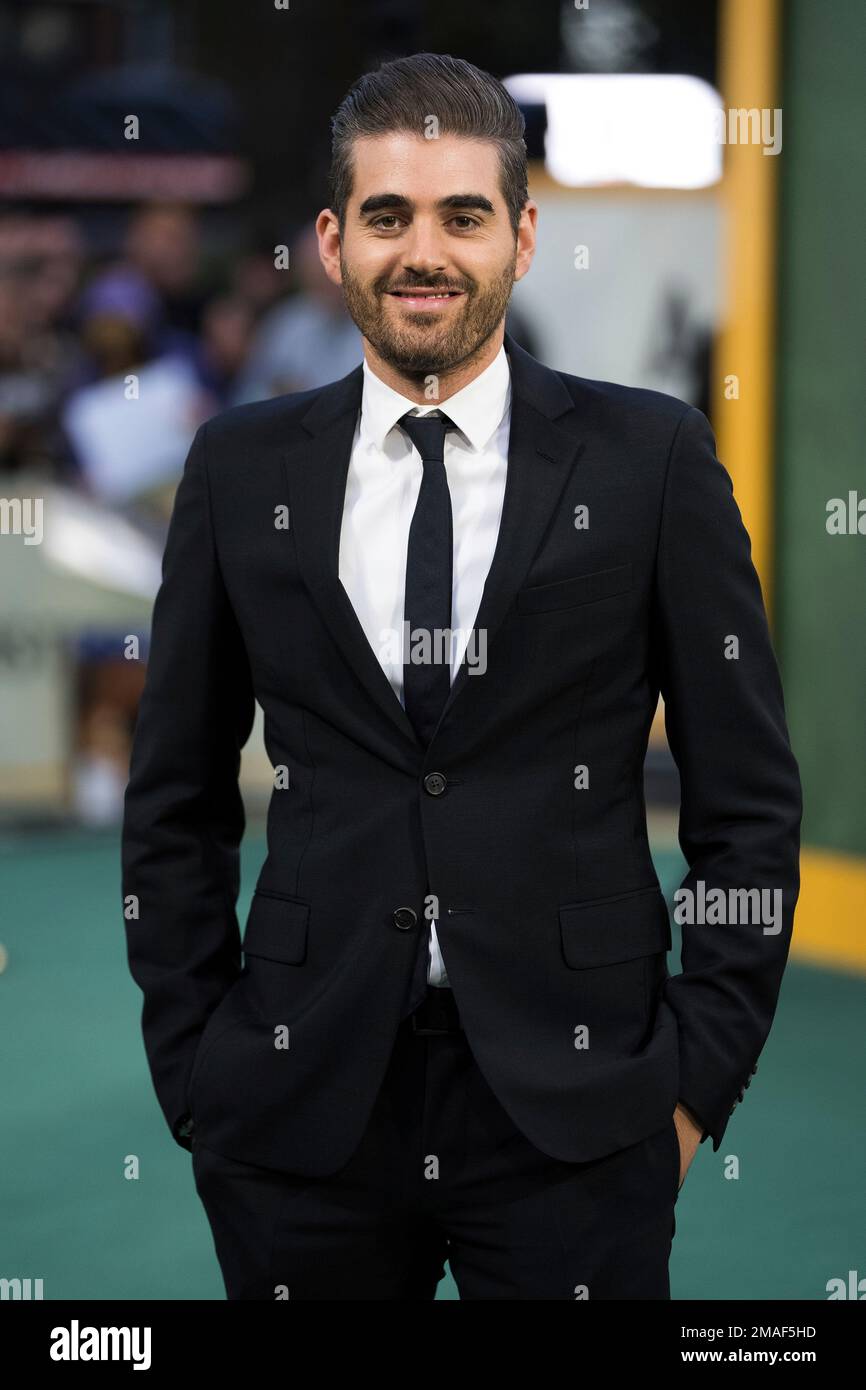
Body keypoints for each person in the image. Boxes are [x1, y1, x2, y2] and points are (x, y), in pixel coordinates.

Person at [121, 53, 802, 1300]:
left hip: (579, 1113)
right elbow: (172, 795)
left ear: (522, 238)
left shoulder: (648, 460)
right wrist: (197, 1071)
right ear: (331, 242)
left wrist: (697, 1079)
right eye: (386, 216)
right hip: (298, 1105)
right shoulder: (239, 469)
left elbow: (746, 803)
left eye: (461, 215)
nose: (420, 250)